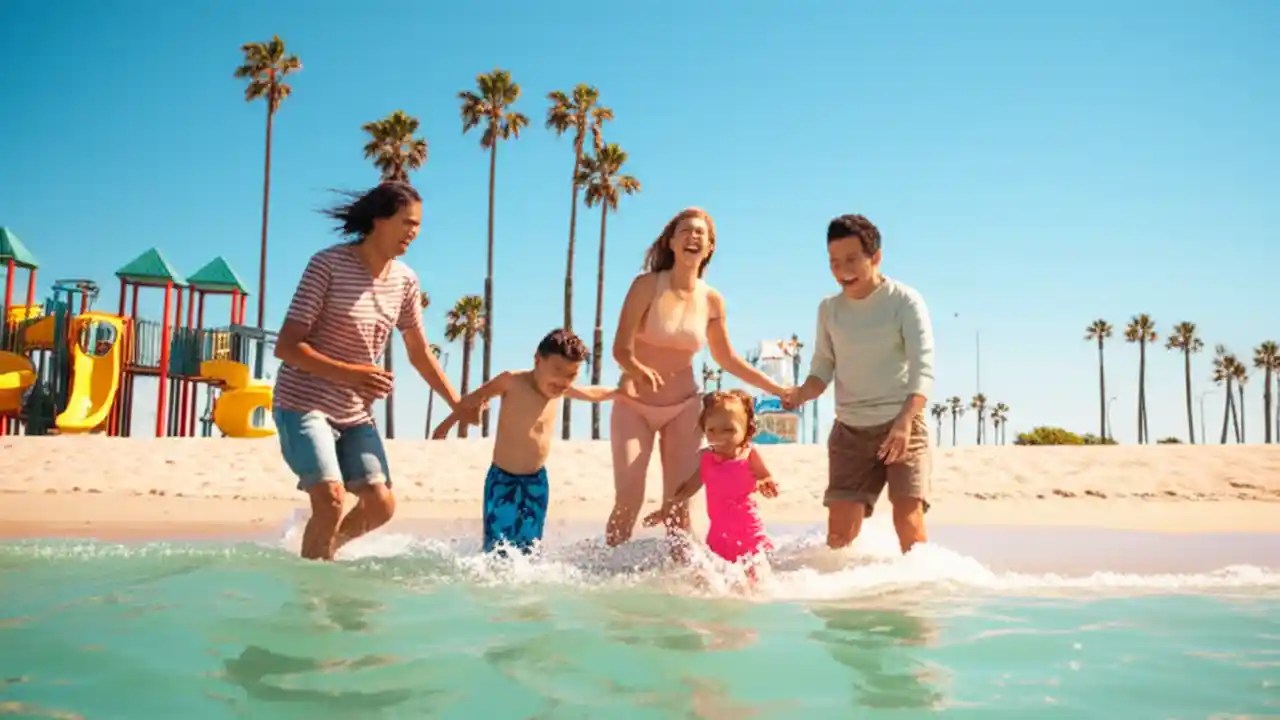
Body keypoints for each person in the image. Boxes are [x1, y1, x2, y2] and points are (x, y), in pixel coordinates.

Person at [272, 182, 481, 561]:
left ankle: (324, 552)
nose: (413, 232)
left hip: (354, 413)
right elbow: (286, 346)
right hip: (303, 403)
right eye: (406, 222)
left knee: (380, 505)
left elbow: (418, 352)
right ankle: (312, 597)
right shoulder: (328, 265)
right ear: (378, 220)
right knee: (331, 501)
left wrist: (457, 403)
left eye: (417, 225)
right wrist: (351, 373)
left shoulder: (405, 281)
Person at [607, 207, 791, 550]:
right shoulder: (646, 285)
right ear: (672, 242)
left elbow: (728, 358)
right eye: (685, 231)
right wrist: (637, 370)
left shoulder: (711, 299)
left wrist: (778, 389)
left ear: (709, 248)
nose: (693, 237)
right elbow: (620, 349)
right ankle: (607, 576)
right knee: (628, 497)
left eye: (700, 234)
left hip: (684, 408)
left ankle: (683, 584)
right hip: (634, 404)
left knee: (678, 507)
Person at [787, 214, 935, 554]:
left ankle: (914, 602)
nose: (842, 271)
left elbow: (923, 368)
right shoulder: (828, 309)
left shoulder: (905, 301)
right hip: (850, 431)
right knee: (838, 540)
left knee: (908, 524)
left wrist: (904, 422)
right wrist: (799, 394)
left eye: (852, 260)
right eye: (834, 262)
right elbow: (822, 368)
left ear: (876, 257)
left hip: (903, 425)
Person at [433, 328, 616, 554]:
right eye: (557, 370)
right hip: (502, 478)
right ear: (538, 360)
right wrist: (446, 425)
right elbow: (473, 399)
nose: (562, 381)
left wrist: (622, 392)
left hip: (536, 481)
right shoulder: (511, 381)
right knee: (495, 548)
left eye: (571, 375)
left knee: (530, 548)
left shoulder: (561, 391)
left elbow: (593, 394)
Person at [643, 390, 778, 566]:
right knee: (721, 577)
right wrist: (667, 508)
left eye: (728, 430)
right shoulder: (707, 460)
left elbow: (764, 475)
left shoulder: (749, 455)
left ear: (747, 430)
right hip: (718, 536)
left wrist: (765, 482)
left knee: (754, 576)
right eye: (711, 430)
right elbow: (688, 489)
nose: (718, 436)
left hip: (748, 532)